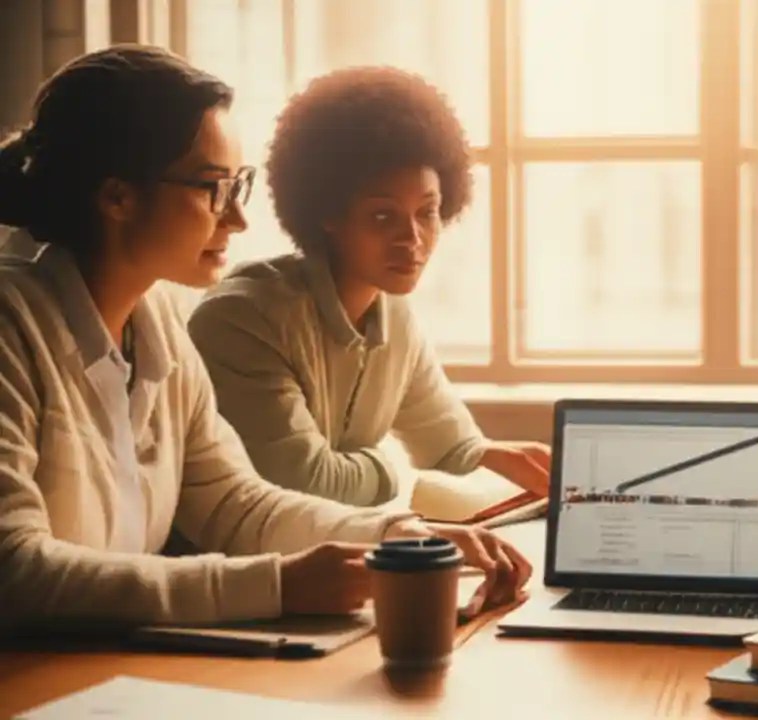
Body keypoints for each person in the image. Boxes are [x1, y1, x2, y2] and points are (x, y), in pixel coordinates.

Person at [0, 45, 529, 630]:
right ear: (118, 196)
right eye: (211, 189)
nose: (237, 221)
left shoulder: (158, 331)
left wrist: (397, 533)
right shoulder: (12, 327)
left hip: (111, 673)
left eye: (237, 187)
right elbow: (14, 568)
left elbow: (236, 503)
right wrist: (276, 584)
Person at [187, 66, 550, 509]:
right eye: (383, 217)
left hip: (332, 562)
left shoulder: (393, 314)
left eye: (427, 212)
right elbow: (304, 482)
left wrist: (502, 457)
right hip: (231, 569)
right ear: (328, 214)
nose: (412, 239)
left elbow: (451, 446)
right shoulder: (242, 319)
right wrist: (400, 467)